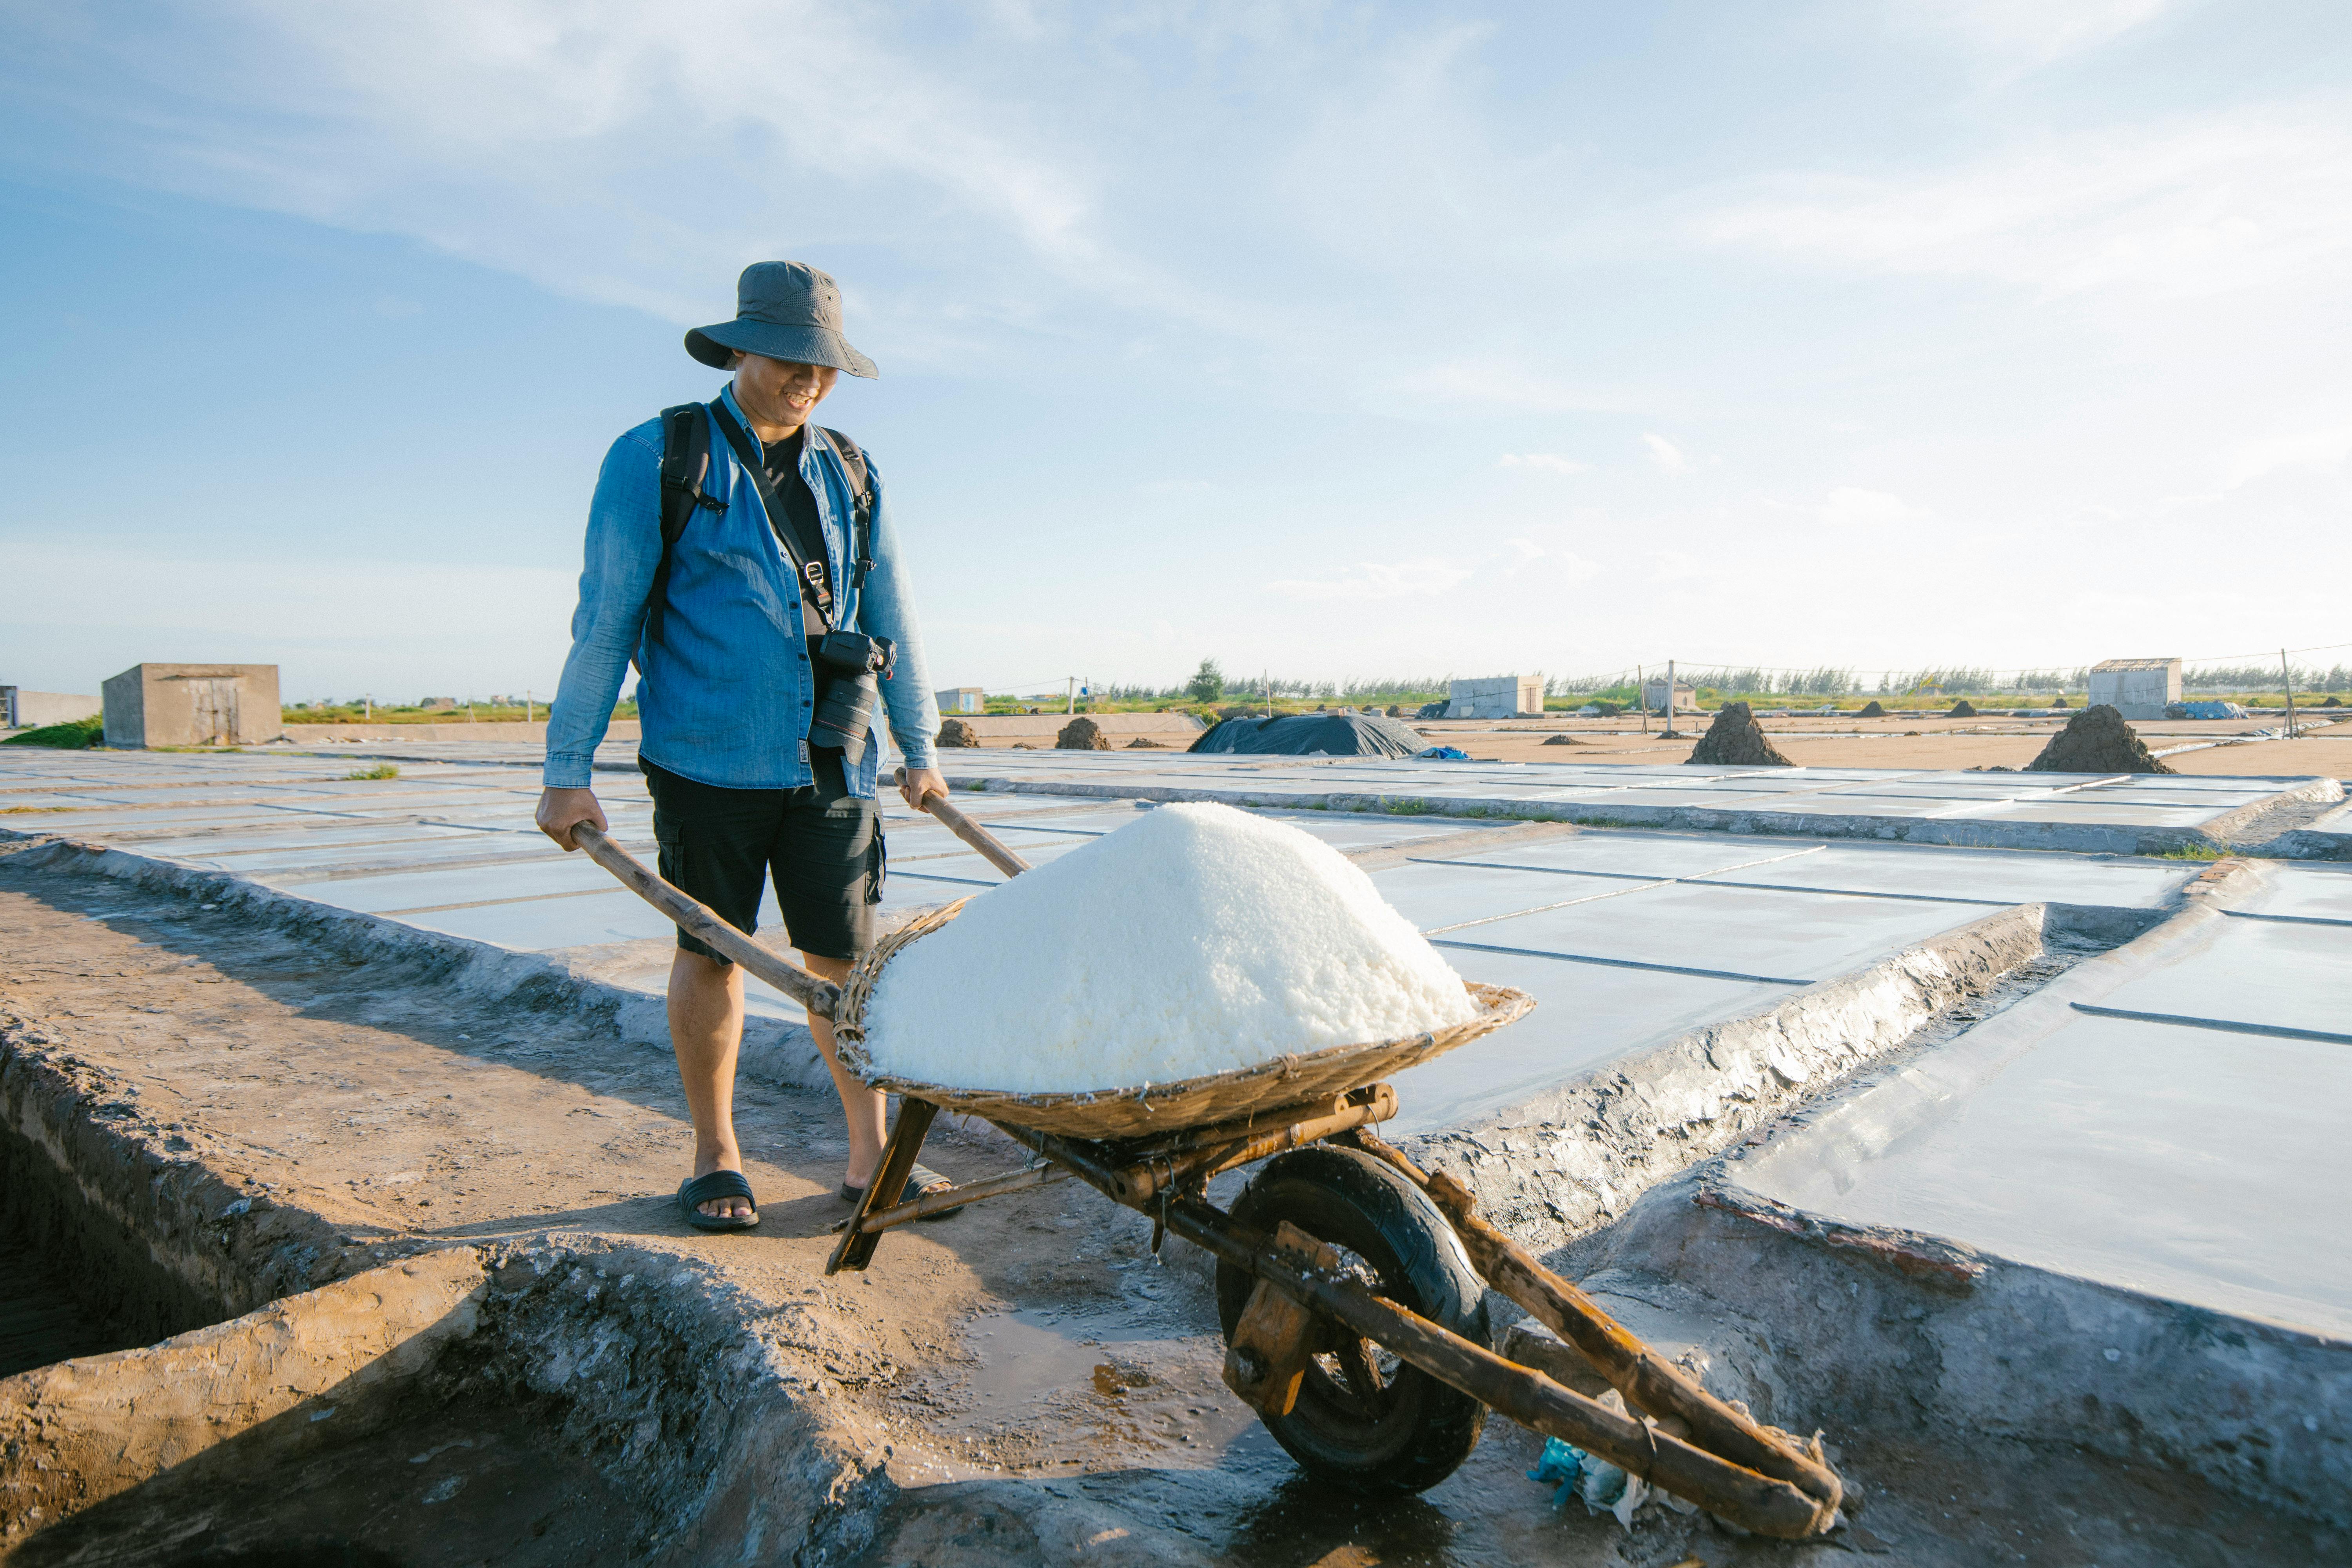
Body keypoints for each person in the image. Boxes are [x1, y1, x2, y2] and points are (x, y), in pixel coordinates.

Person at [535, 261, 952, 1232]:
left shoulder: (851, 469)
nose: (808, 378)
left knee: (843, 964)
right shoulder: (660, 456)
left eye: (825, 364)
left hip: (834, 761)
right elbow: (606, 619)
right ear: (738, 349)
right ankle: (716, 1155)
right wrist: (568, 773)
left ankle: (870, 1156)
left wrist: (919, 742)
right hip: (704, 760)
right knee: (713, 953)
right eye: (788, 358)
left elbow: (894, 609)